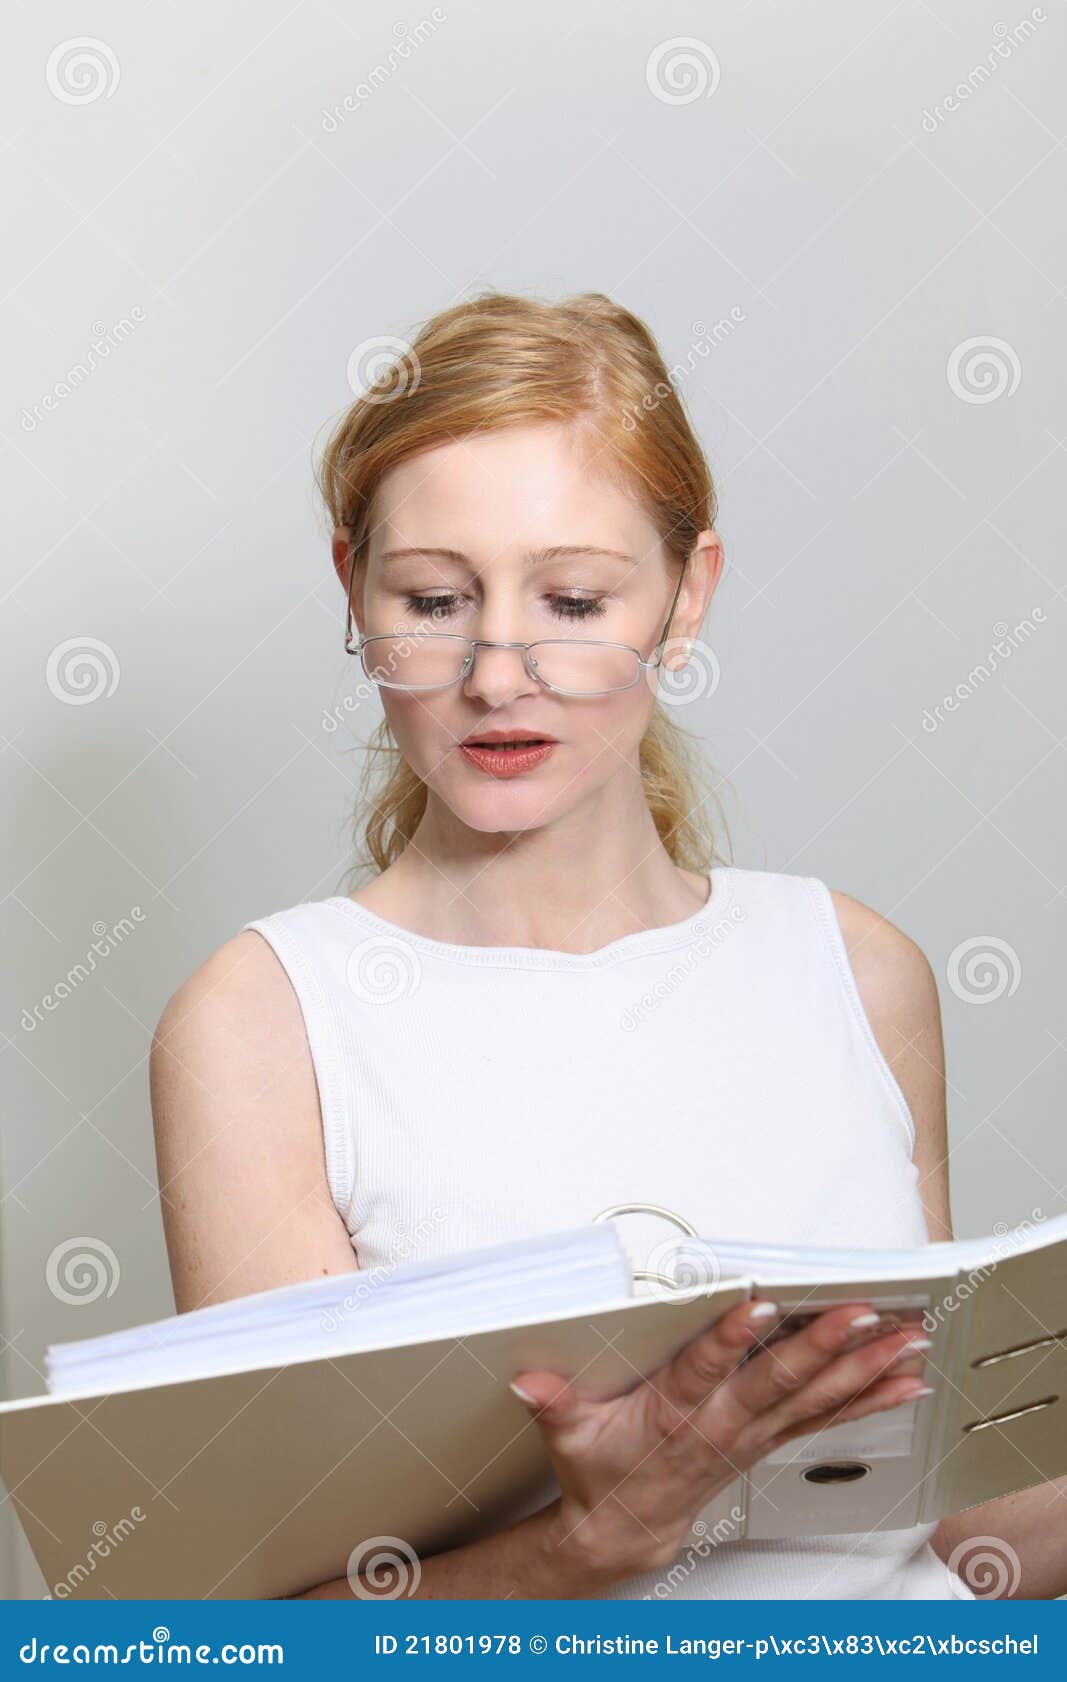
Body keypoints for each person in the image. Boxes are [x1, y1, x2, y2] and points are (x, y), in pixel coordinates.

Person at [149, 292, 1049, 1601]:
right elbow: (281, 1634)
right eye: (434, 596)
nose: (500, 670)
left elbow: (935, 1549)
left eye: (573, 596)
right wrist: (594, 1541)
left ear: (687, 600)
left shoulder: (861, 972)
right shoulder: (257, 1025)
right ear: (354, 590)